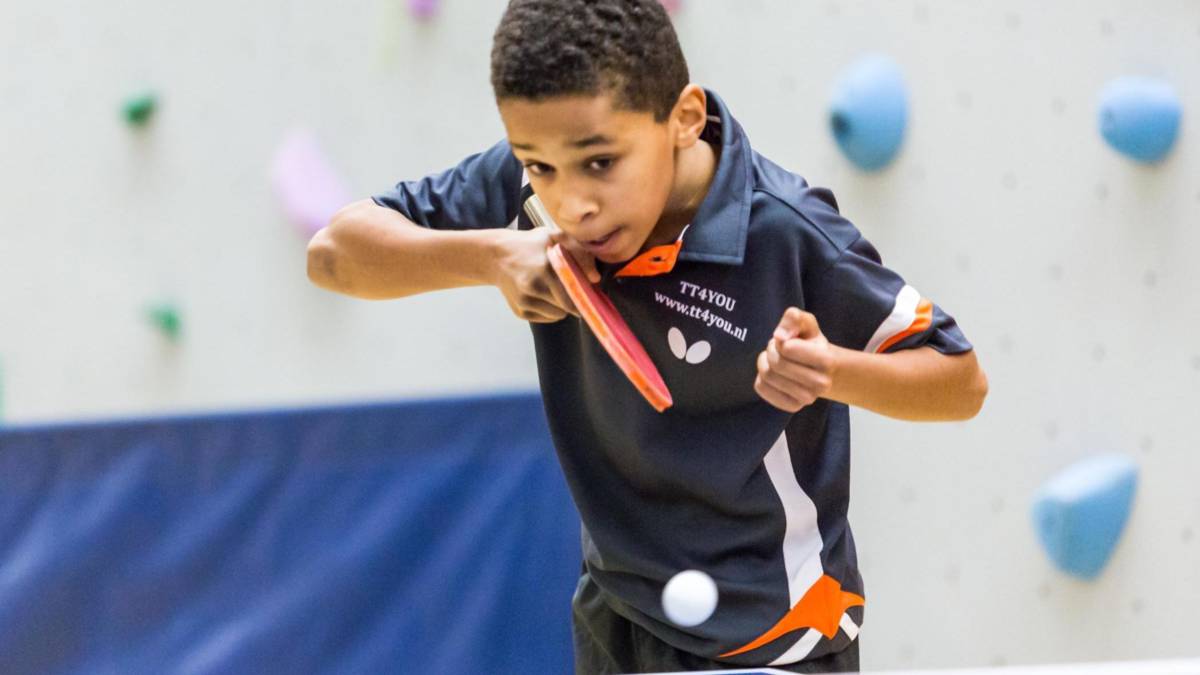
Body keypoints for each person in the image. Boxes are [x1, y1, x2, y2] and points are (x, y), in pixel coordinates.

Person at [307, 0, 988, 672]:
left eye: (601, 162)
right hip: (618, 611)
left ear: (684, 118)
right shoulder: (533, 184)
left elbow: (960, 379)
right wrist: (490, 257)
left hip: (776, 632)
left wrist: (832, 371)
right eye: (538, 165)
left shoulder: (783, 230)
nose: (572, 203)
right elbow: (333, 254)